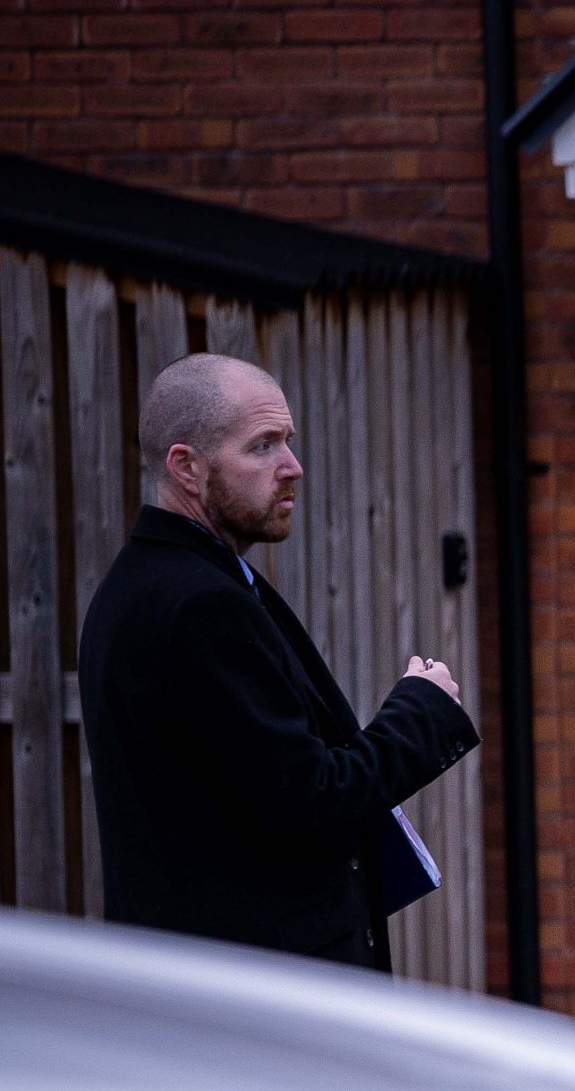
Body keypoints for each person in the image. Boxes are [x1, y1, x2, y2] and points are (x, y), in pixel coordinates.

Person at [79, 353, 476, 971]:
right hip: (256, 993)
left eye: (288, 442)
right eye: (263, 446)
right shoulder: (198, 604)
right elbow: (311, 800)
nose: (292, 467)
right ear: (187, 466)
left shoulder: (168, 583)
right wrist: (422, 710)